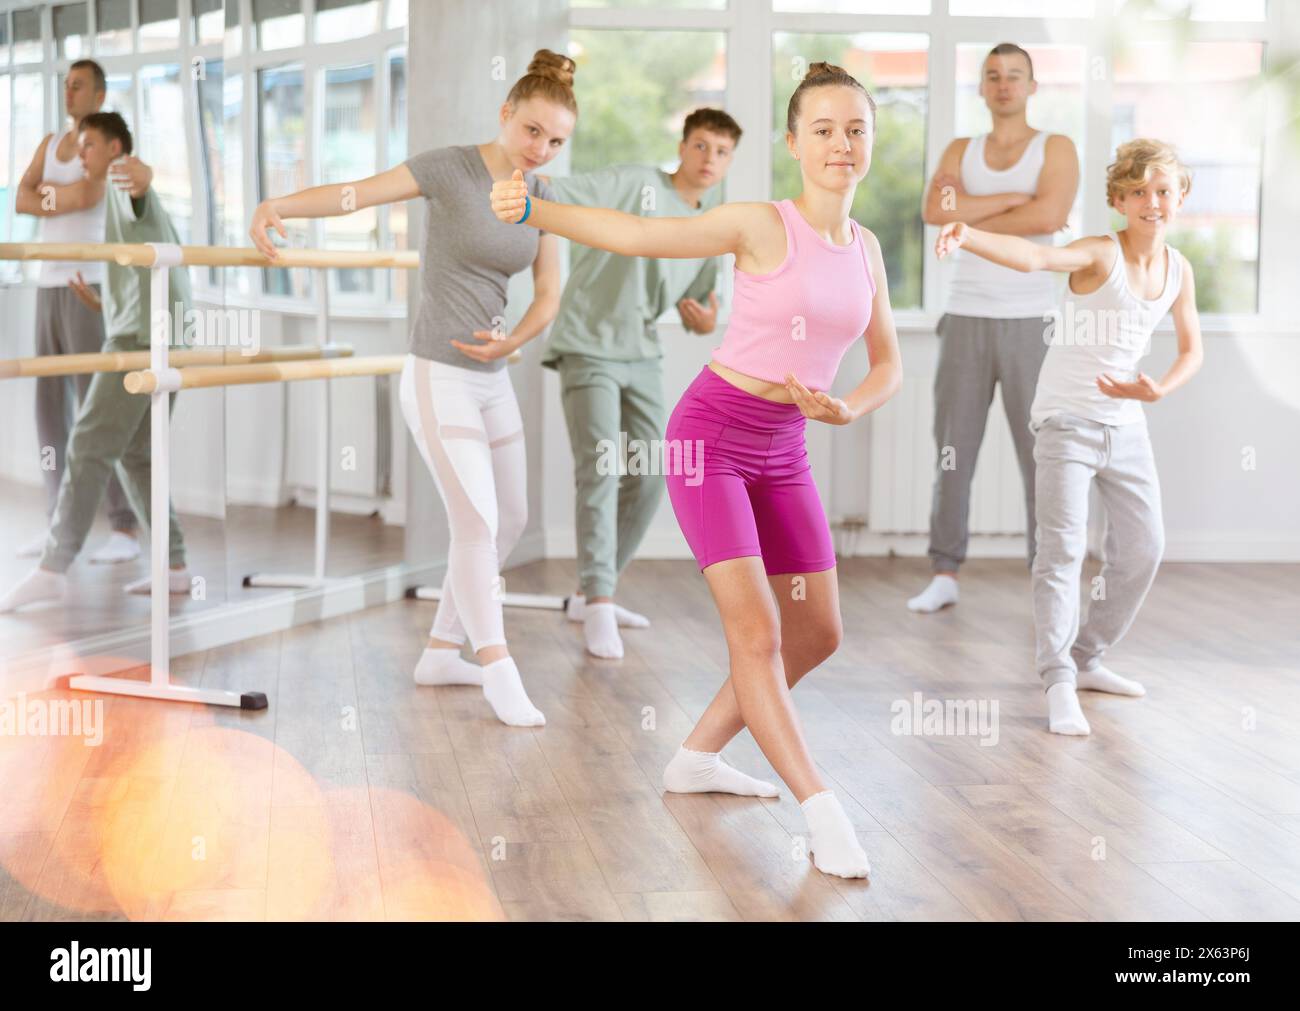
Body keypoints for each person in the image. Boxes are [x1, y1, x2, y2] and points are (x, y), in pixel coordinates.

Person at [492, 62, 902, 878]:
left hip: (785, 446)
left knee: (818, 629)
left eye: (855, 128)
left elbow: (887, 361)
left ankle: (697, 757)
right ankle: (821, 807)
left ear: (871, 142)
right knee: (758, 631)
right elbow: (638, 236)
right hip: (709, 434)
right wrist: (537, 208)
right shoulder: (757, 222)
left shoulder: (866, 248)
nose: (840, 144)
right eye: (822, 129)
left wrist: (849, 406)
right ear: (793, 143)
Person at [250, 49, 579, 727]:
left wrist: (514, 340)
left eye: (556, 140)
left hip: (493, 377)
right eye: (533, 132)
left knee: (509, 517)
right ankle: (497, 665)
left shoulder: (543, 198)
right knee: (477, 521)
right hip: (437, 374)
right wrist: (277, 203)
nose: (542, 149)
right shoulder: (450, 167)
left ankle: (440, 651)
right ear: (505, 113)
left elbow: (549, 293)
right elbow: (356, 195)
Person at [934, 138, 1203, 735]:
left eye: (1163, 191)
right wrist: (967, 233)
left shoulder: (1178, 270)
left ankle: (1087, 657)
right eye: (1138, 193)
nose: (1152, 202)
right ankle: (1057, 678)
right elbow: (1033, 259)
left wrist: (1158, 389)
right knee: (1061, 553)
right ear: (1118, 200)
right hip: (1065, 424)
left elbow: (1192, 349)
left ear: (1180, 197)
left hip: (1127, 427)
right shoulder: (1098, 255)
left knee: (1144, 547)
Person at [541, 108, 742, 658]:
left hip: (642, 353)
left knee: (654, 472)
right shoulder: (637, 182)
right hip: (588, 343)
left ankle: (591, 592)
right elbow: (570, 190)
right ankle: (601, 600)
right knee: (603, 467)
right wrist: (529, 180)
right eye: (701, 146)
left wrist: (704, 318)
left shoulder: (711, 226)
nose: (709, 160)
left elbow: (701, 304)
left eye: (722, 152)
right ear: (682, 146)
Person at [909, 42, 1079, 614]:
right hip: (965, 317)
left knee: (1042, 456)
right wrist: (1009, 198)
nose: (1003, 84)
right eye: (993, 76)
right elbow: (936, 212)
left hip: (1031, 321)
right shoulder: (962, 148)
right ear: (981, 88)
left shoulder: (1056, 148)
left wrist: (971, 210)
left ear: (1032, 87)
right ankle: (944, 572)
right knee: (953, 451)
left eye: (1015, 76)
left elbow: (1050, 216)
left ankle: (1045, 576)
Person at [1, 113, 193, 613]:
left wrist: (138, 176)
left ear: (114, 148)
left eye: (89, 145)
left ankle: (52, 566)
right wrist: (103, 305)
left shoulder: (123, 178)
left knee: (87, 441)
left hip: (142, 339)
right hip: (156, 330)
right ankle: (174, 567)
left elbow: (140, 193)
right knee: (136, 454)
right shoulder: (112, 191)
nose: (79, 154)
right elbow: (143, 263)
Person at [14, 59, 150, 565]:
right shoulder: (51, 144)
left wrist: (48, 197)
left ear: (99, 95)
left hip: (87, 284)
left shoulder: (104, 150)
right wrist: (55, 198)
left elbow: (86, 196)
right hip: (47, 283)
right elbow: (22, 201)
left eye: (78, 86)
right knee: (48, 408)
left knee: (96, 408)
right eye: (66, 85)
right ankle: (57, 518)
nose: (69, 93)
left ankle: (123, 525)